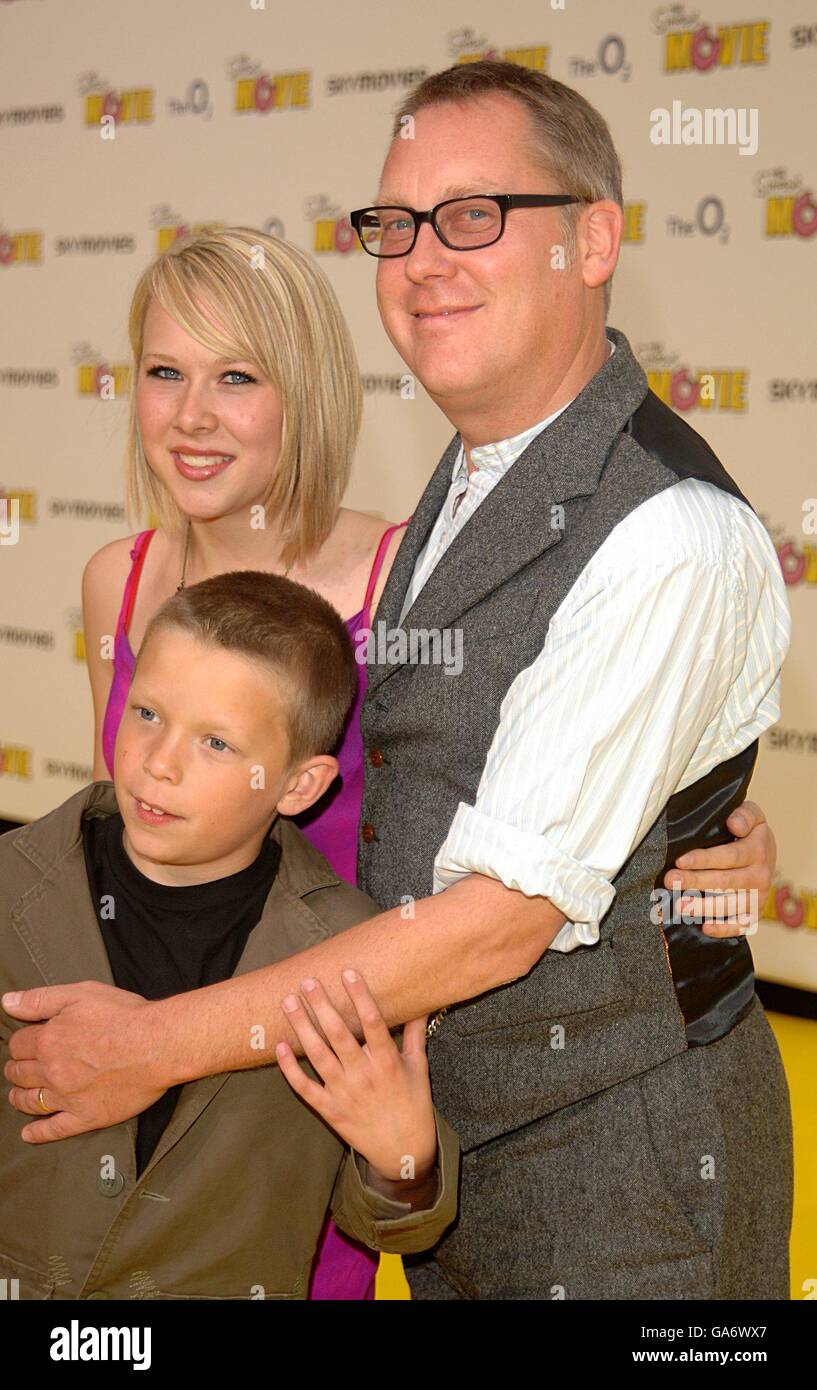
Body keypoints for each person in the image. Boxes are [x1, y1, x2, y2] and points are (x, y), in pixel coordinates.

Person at [4, 65, 787, 1300]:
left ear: (592, 241)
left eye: (475, 215)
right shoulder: (465, 484)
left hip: (563, 1165)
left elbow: (509, 905)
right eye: (396, 225)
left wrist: (706, 867)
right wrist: (692, 868)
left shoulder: (648, 529)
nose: (425, 258)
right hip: (374, 1130)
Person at [84, 226, 409, 1298]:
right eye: (165, 372)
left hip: (313, 1090)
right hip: (141, 1078)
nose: (191, 415)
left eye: (237, 377)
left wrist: (718, 844)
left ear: (304, 391)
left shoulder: (399, 574)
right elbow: (113, 836)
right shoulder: (115, 581)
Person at [0, 571, 459, 1299]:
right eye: (147, 713)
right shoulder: (11, 887)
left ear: (298, 786)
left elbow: (395, 1227)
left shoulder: (353, 952)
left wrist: (402, 1156)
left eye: (215, 742)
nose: (159, 762)